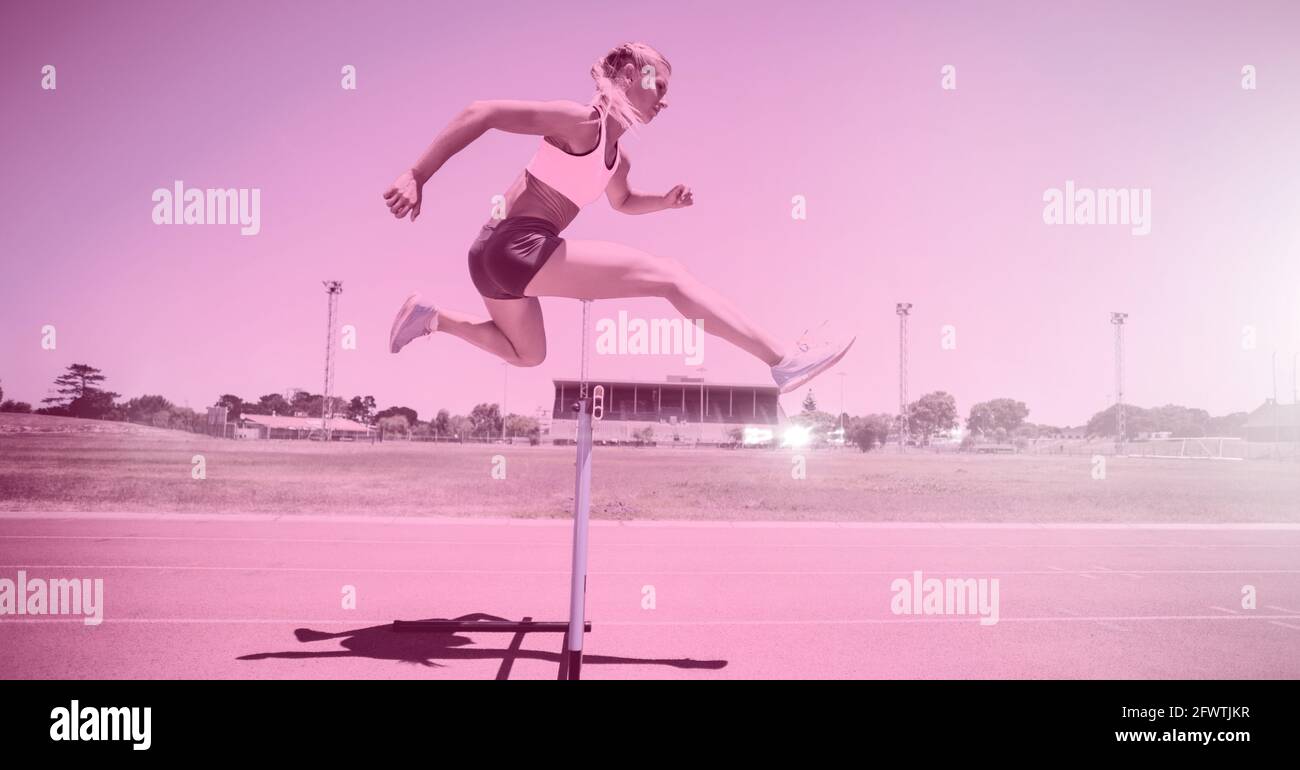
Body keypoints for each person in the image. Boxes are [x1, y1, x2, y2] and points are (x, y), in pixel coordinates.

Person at [385, 42, 852, 394]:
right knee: (669, 276)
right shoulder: (580, 122)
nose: (663, 100)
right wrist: (417, 174)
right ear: (629, 74)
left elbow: (623, 202)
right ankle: (784, 358)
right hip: (515, 244)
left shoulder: (616, 160)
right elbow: (481, 112)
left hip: (489, 258)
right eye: (659, 85)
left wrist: (664, 202)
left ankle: (433, 318)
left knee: (528, 354)